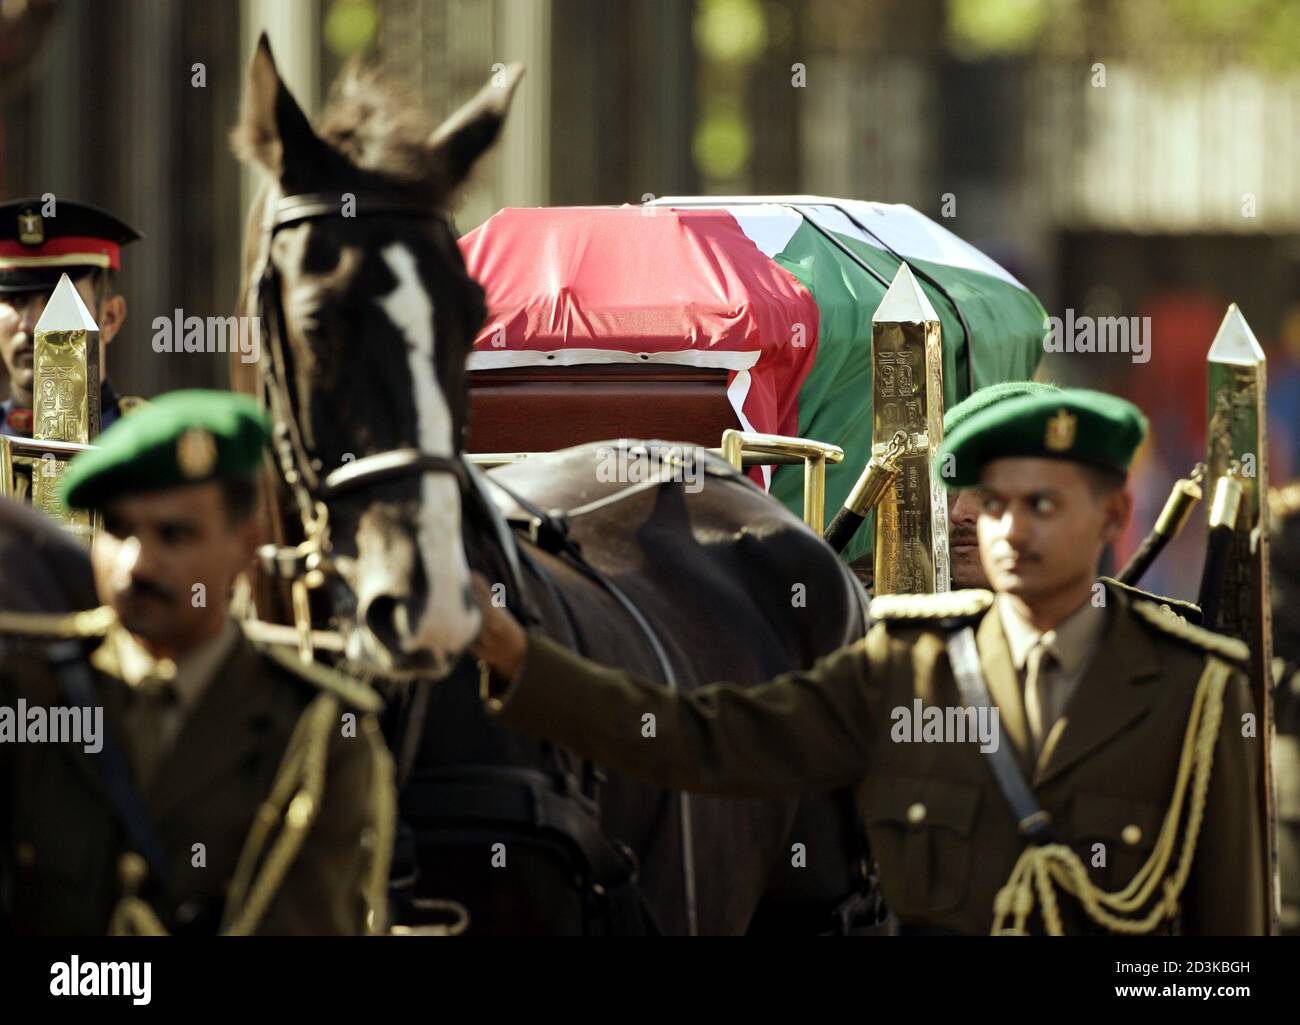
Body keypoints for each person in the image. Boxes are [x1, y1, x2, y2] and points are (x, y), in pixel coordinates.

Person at [468, 388, 1264, 935]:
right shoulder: (906, 669)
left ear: (1114, 515)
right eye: (990, 501)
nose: (1007, 528)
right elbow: (702, 734)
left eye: (1042, 503)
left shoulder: (1195, 694)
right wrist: (521, 659)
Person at [0, 390, 394, 935]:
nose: (136, 565)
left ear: (246, 546)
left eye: (174, 534)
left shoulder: (317, 734)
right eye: (118, 529)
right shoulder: (28, 691)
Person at [0, 197, 144, 437]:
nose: (30, 325)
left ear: (109, 318)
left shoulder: (150, 448)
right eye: (15, 299)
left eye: (56, 300)